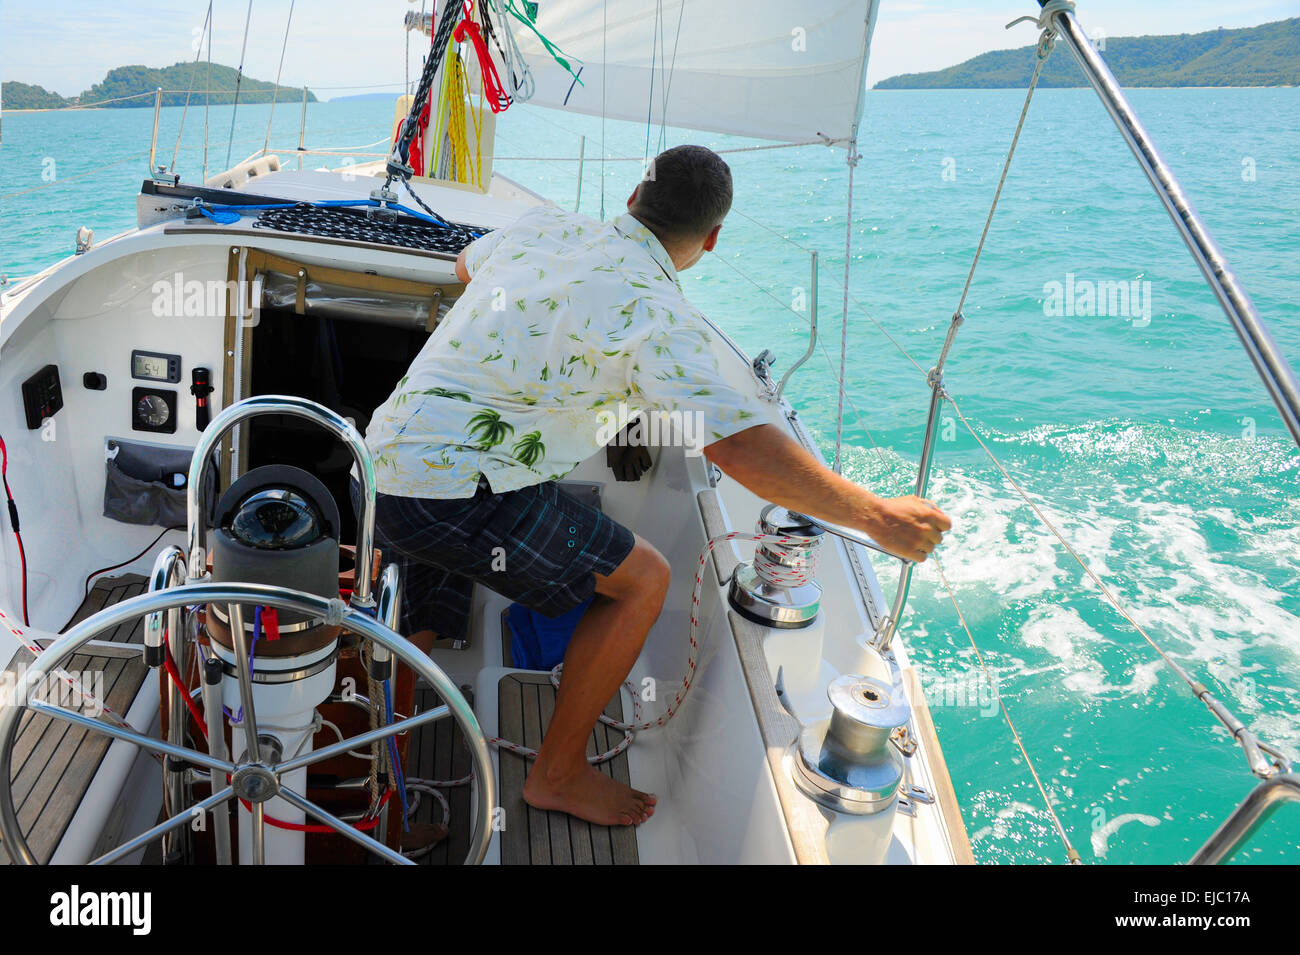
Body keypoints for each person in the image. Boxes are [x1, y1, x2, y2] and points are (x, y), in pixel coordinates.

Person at [360, 145, 952, 828]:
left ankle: (406, 684)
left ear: (636, 197)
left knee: (438, 531)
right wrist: (876, 515)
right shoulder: (658, 315)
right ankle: (557, 773)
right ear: (711, 239)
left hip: (381, 463)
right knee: (643, 578)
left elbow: (466, 266)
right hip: (453, 494)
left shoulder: (545, 225)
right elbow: (737, 445)